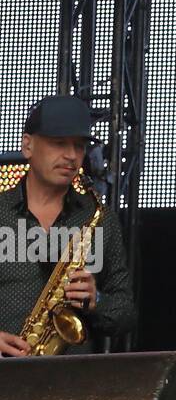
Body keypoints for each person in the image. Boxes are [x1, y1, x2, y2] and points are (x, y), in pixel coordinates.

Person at [0, 96, 136, 356]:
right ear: (27, 145)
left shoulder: (100, 218)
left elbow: (126, 314)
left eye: (79, 145)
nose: (72, 156)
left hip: (76, 386)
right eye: (58, 143)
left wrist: (96, 300)